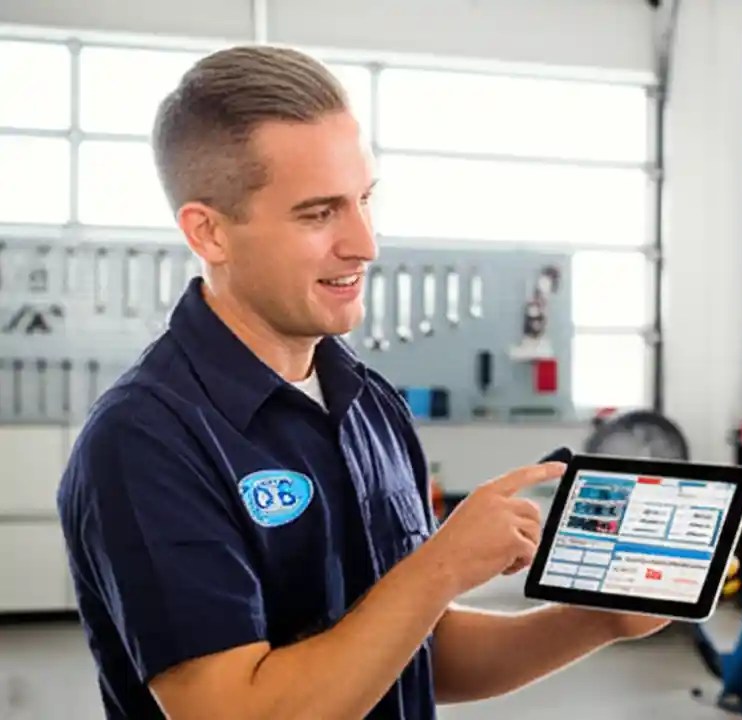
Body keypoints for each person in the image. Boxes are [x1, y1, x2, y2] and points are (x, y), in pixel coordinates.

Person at [56, 45, 667, 720]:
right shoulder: (144, 441)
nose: (365, 243)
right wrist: (441, 566)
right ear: (209, 233)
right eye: (319, 214)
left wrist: (597, 621)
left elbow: (415, 652)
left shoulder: (368, 404)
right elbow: (232, 712)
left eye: (365, 200)